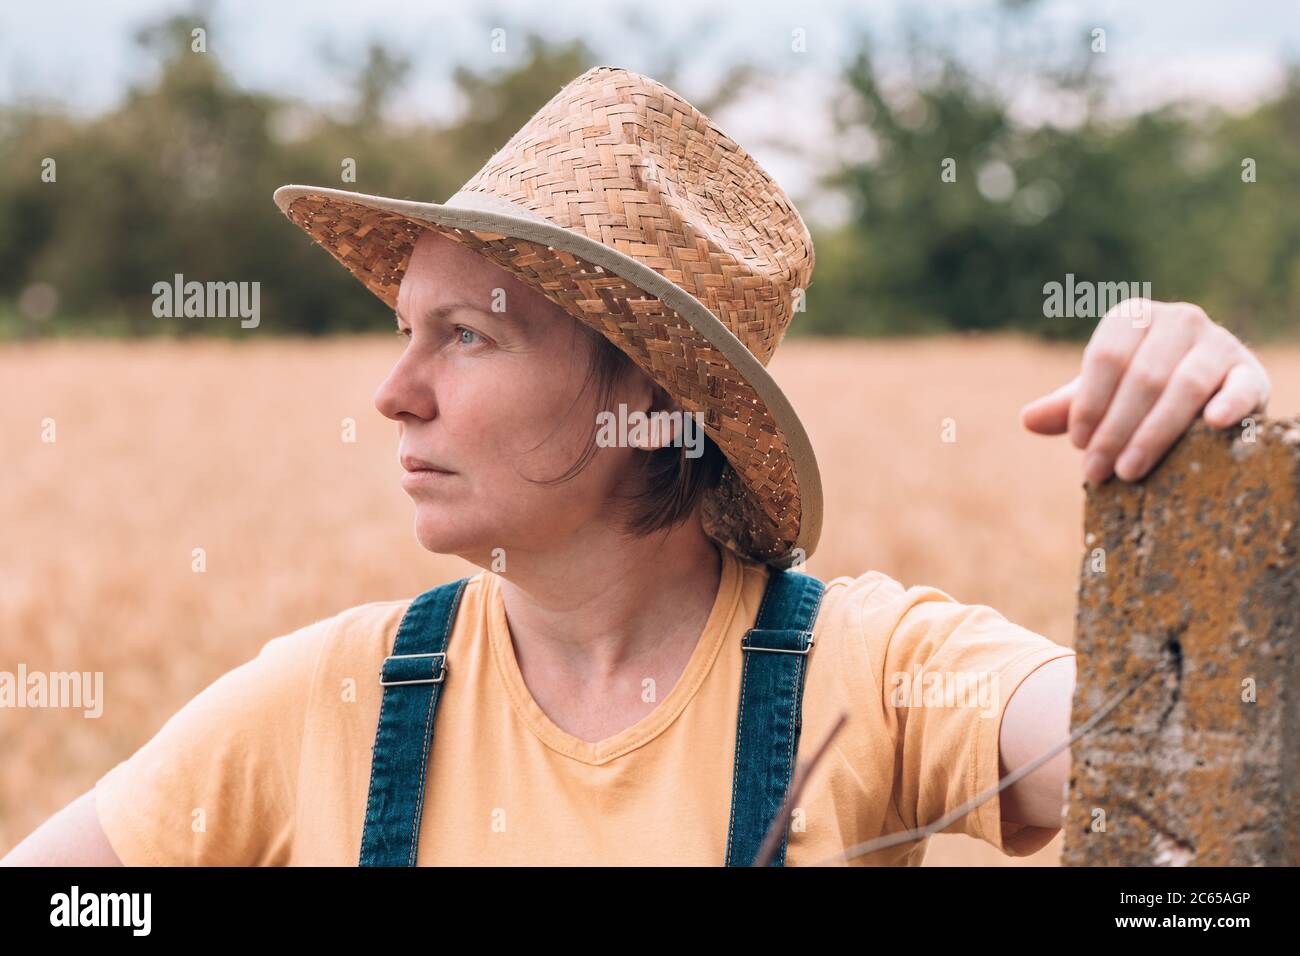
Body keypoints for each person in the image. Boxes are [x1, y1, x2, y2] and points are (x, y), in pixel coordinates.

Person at [2, 66, 1271, 867]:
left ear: (653, 395)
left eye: (468, 336)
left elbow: (1204, 752)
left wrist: (1206, 442)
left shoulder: (873, 670)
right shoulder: (327, 697)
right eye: (406, 332)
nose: (394, 394)